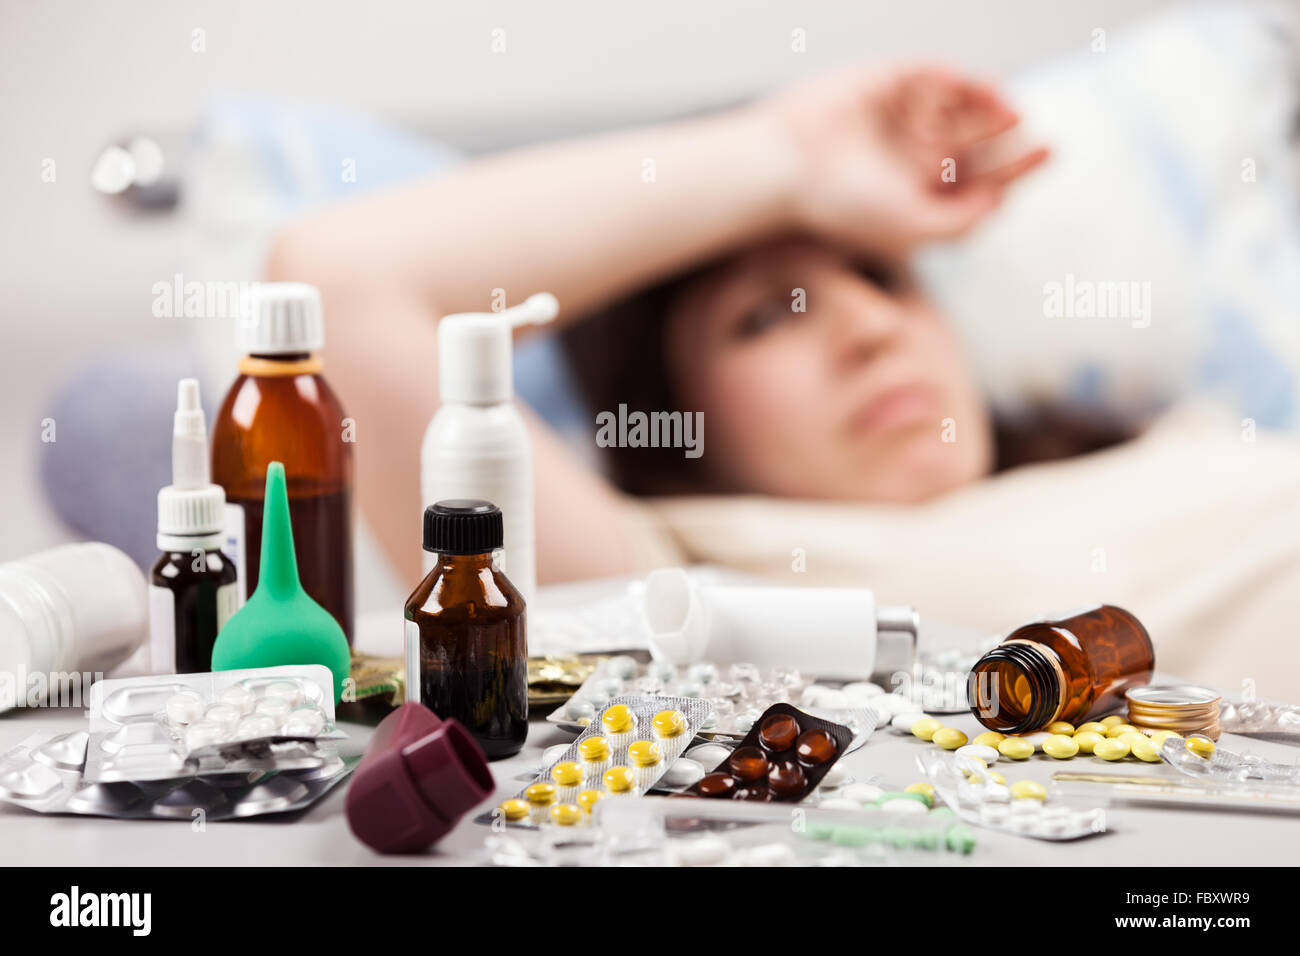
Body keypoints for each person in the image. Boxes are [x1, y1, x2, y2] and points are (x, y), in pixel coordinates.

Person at [266, 64, 1049, 583]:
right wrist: (792, 155)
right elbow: (340, 286)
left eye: (880, 276)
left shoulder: (1159, 441)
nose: (872, 327)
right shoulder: (665, 593)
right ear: (672, 419)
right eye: (766, 316)